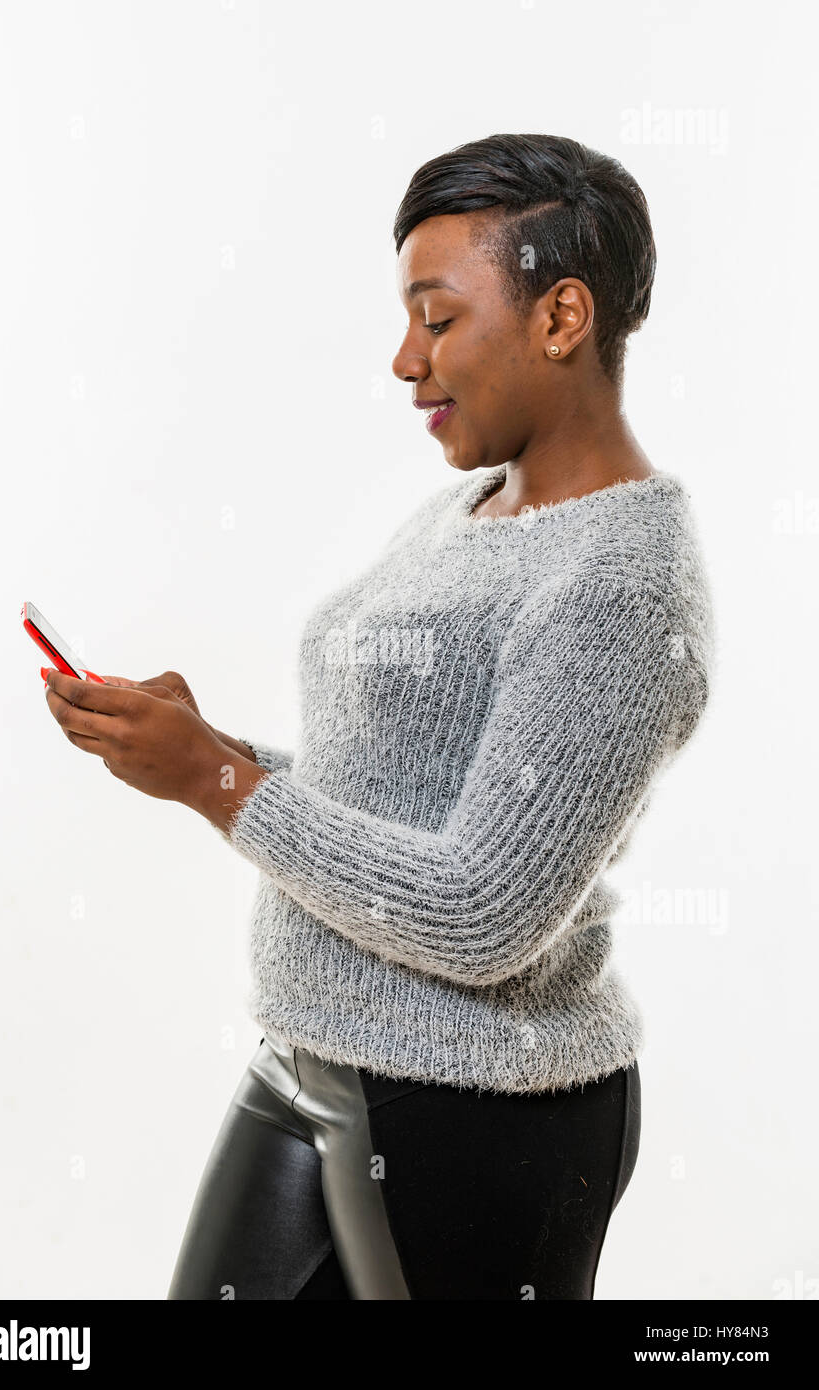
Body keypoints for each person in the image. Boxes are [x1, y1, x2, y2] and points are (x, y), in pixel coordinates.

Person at [44, 133, 715, 1299]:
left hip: (477, 1112)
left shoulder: (617, 587)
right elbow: (397, 796)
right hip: (311, 1065)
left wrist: (216, 782)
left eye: (438, 318)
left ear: (562, 318)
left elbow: (482, 912)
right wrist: (217, 751)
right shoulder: (474, 505)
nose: (406, 360)